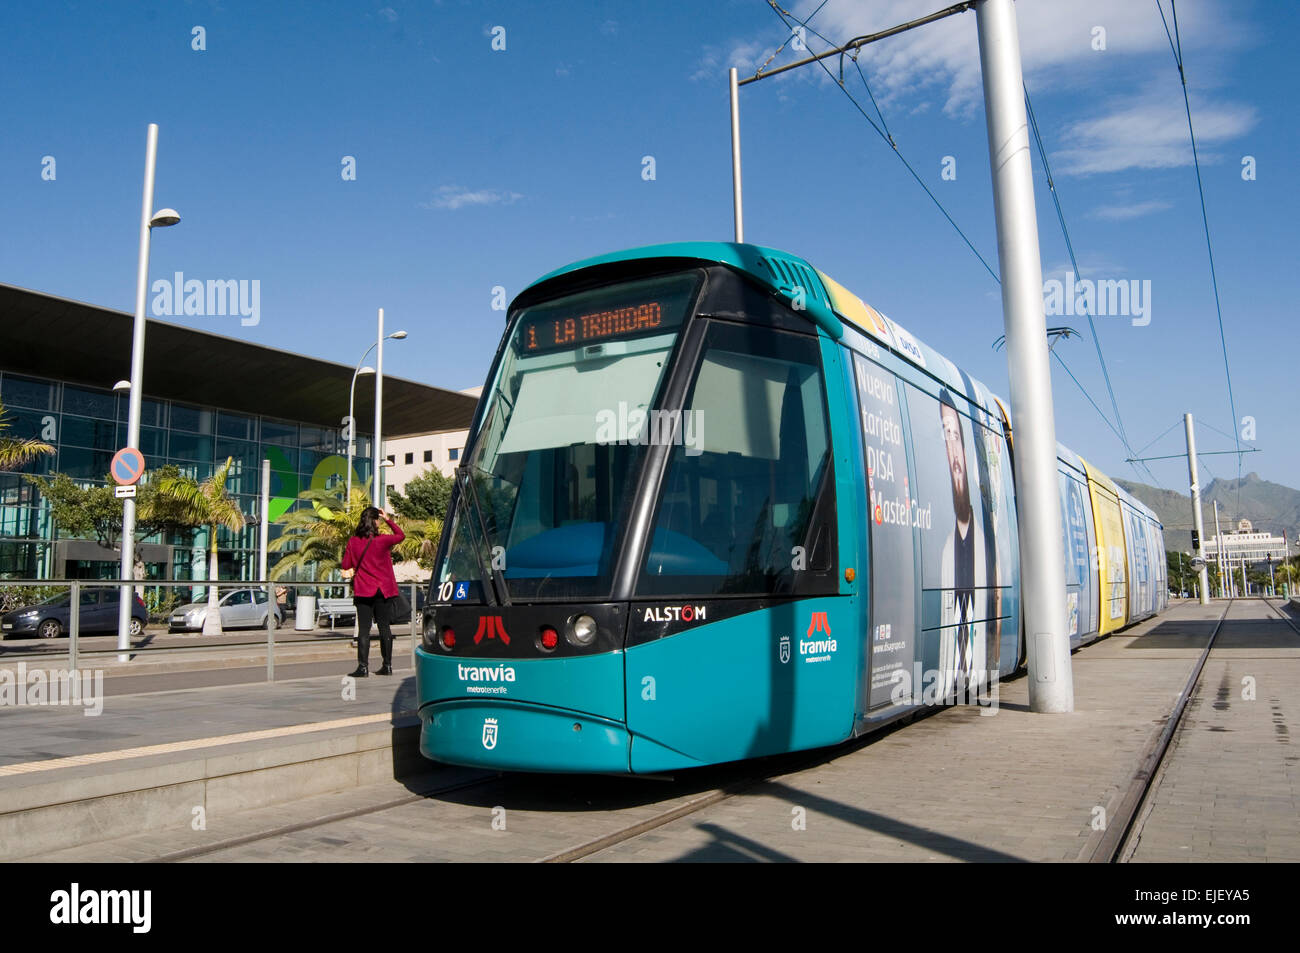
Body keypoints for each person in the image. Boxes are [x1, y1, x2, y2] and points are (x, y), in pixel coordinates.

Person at [937, 390, 986, 701]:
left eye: (956, 436)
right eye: (945, 437)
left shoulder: (987, 541)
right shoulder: (944, 549)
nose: (953, 449)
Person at [340, 507, 405, 677]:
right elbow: (401, 535)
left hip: (363, 591)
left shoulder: (353, 542)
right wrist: (388, 519)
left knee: (364, 630)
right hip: (383, 591)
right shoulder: (383, 540)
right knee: (385, 628)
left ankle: (363, 667)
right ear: (376, 521)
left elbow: (346, 565)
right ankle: (387, 665)